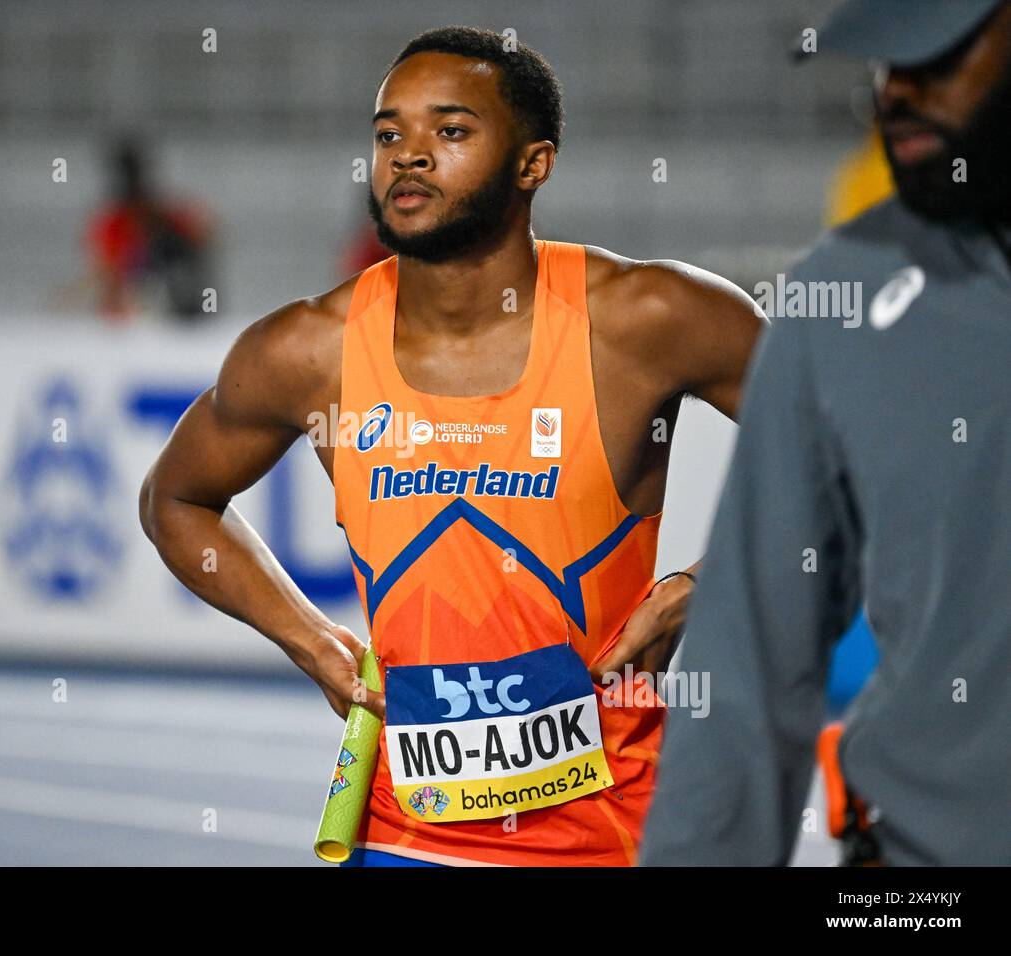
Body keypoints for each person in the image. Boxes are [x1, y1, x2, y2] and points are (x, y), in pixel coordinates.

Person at [140, 26, 763, 866]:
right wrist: (314, 643)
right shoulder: (306, 351)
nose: (408, 156)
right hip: (407, 836)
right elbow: (175, 501)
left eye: (451, 131)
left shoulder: (649, 320)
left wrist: (706, 585)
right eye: (389, 133)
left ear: (533, 164)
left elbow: (854, 455)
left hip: (621, 835)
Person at [640, 0, 1011, 866]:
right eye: (884, 62)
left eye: (940, 55)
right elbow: (744, 675)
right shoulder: (841, 302)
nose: (897, 89)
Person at [85, 138, 213, 320]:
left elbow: (201, 233)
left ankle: (183, 306)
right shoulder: (120, 218)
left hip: (158, 268)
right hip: (142, 269)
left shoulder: (160, 213)